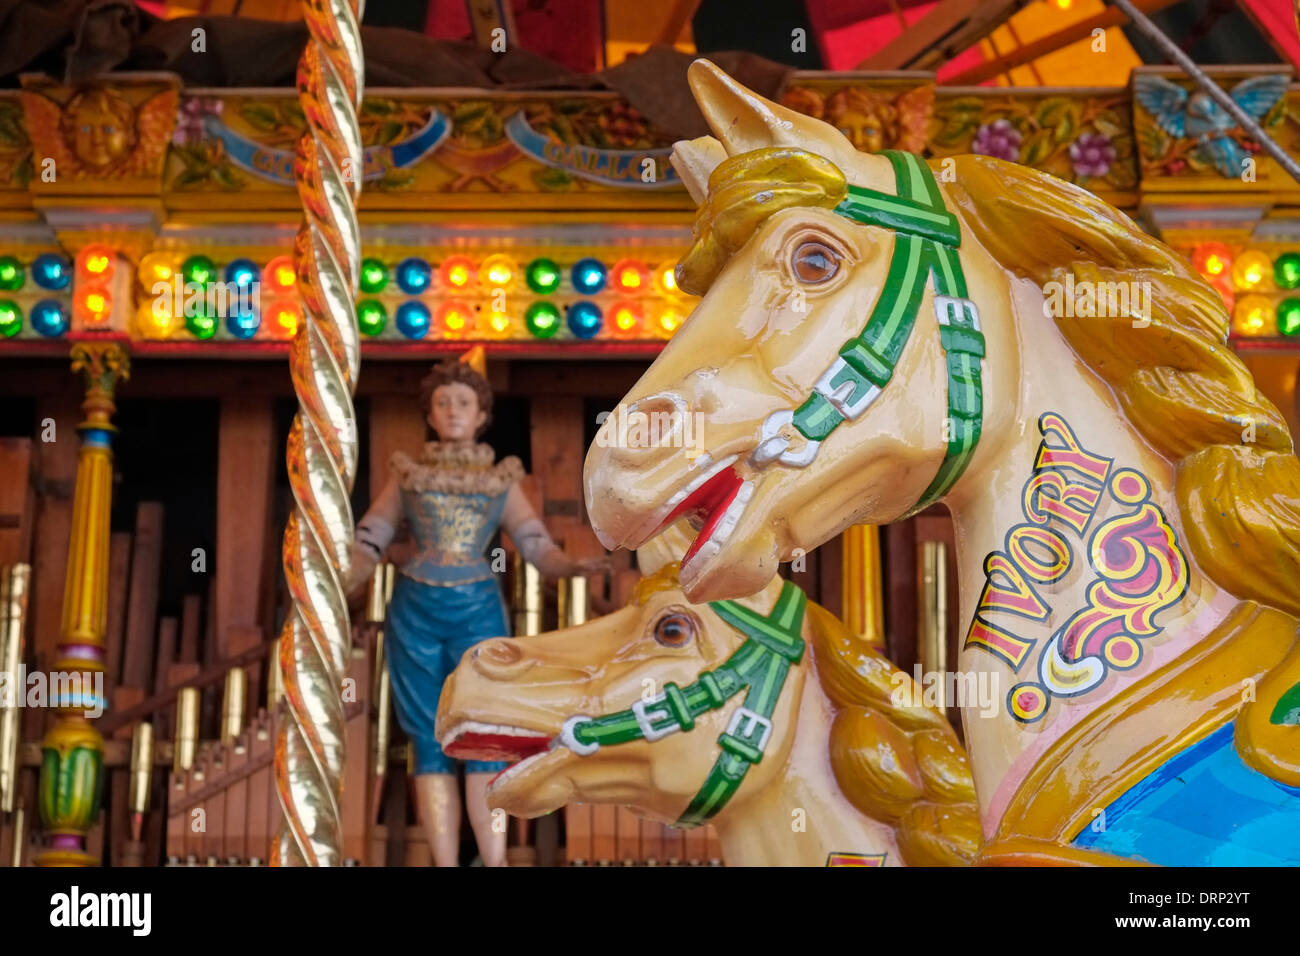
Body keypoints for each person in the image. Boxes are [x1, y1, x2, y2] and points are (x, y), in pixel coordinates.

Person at [347, 346, 606, 866]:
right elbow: (369, 539)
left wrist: (569, 567)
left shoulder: (501, 481)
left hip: (478, 611)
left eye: (463, 402)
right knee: (427, 738)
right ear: (430, 414)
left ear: (483, 415)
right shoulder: (408, 476)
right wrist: (334, 580)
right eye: (442, 403)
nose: (453, 412)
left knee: (482, 734)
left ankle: (495, 861)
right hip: (414, 609)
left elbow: (535, 545)